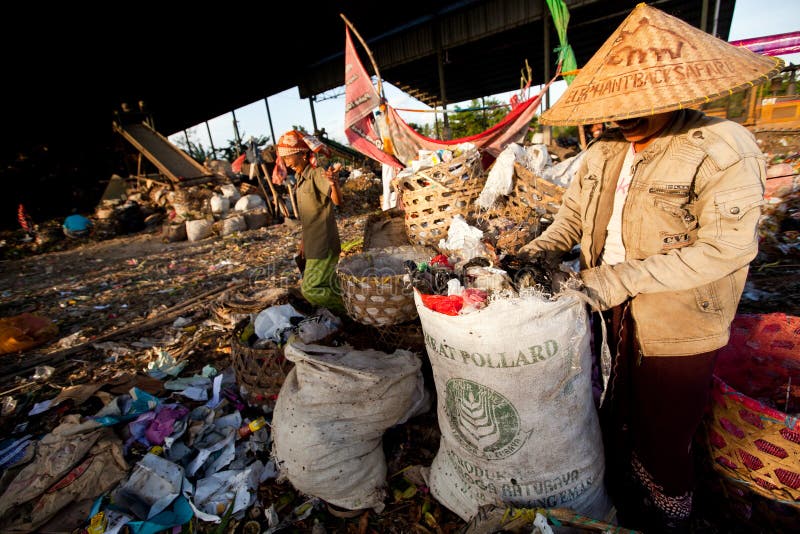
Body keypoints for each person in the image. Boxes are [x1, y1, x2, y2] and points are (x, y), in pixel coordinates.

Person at [517, 4, 782, 532]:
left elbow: (726, 249)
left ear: (676, 95)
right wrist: (538, 250)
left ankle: (669, 518)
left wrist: (613, 281)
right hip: (607, 313)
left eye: (640, 105)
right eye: (617, 107)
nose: (625, 117)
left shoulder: (723, 146)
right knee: (614, 409)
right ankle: (624, 500)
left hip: (679, 322)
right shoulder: (603, 149)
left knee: (665, 433)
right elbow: (572, 219)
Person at [276, 130, 346, 314]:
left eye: (288, 157)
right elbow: (309, 219)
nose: (286, 162)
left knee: (310, 290)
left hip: (323, 244)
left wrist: (333, 184)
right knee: (328, 285)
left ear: (302, 154)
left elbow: (337, 201)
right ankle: (344, 316)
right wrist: (303, 243)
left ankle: (349, 310)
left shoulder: (316, 174)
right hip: (313, 244)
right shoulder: (300, 179)